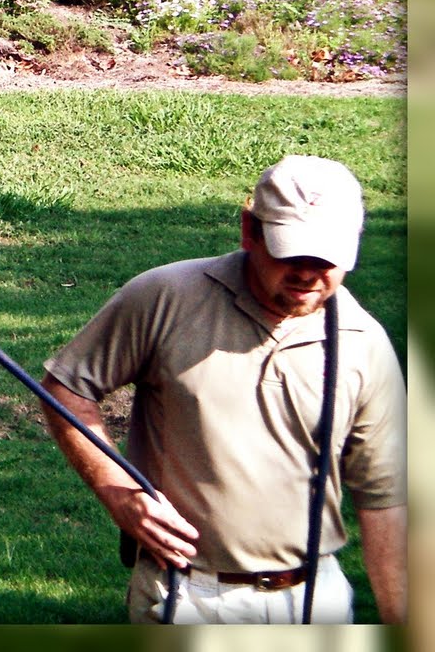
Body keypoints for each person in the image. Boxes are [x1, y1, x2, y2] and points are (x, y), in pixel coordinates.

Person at [41, 154, 407, 624]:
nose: (307, 272)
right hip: (188, 596)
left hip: (316, 600)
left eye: (327, 258)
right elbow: (65, 389)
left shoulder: (364, 341)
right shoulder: (165, 297)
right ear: (249, 231)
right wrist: (117, 490)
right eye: (290, 251)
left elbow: (386, 500)